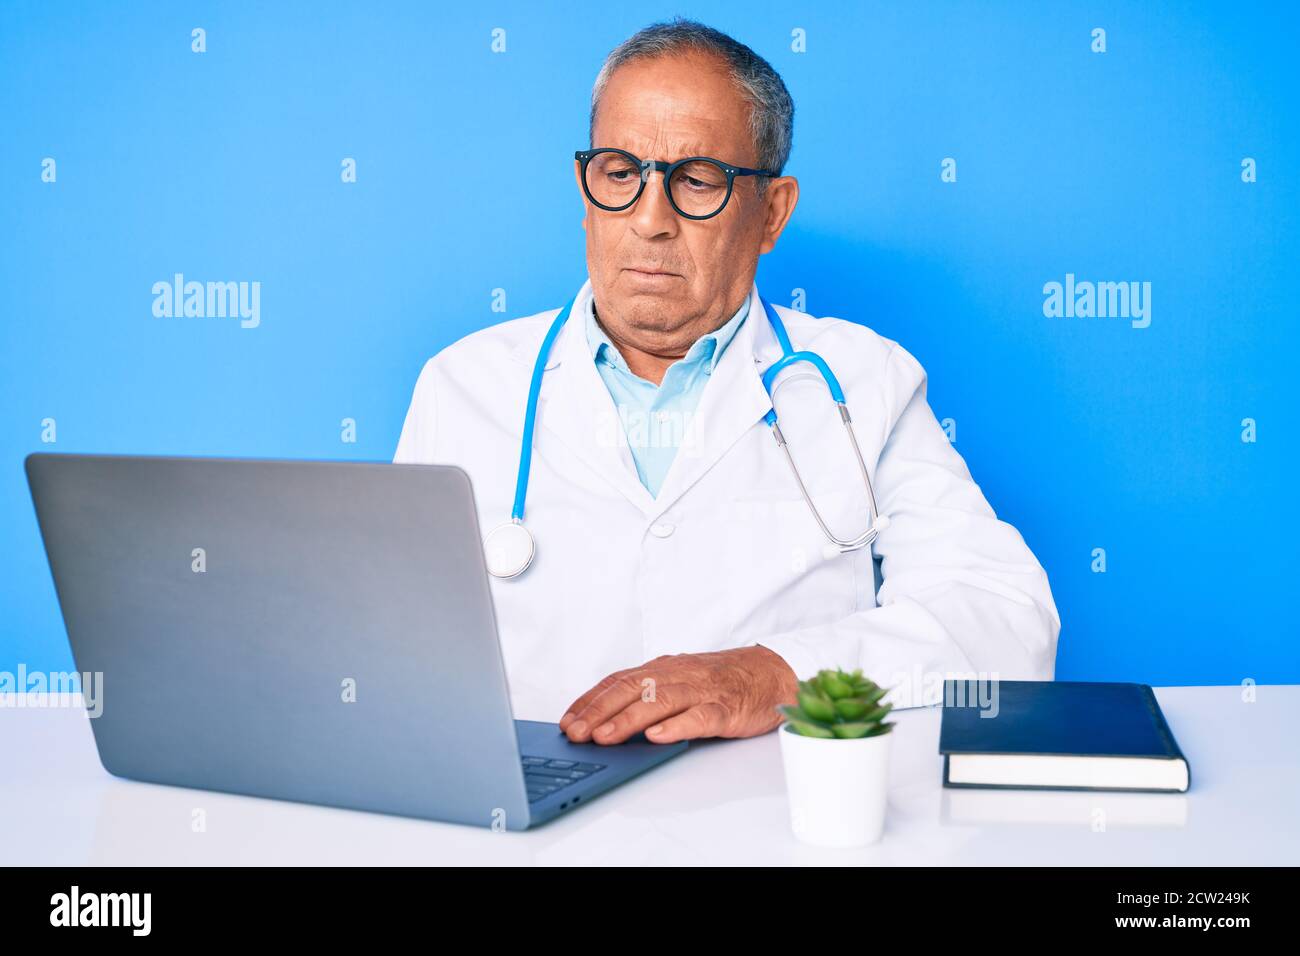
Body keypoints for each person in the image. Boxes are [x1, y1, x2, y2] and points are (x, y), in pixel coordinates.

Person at [394, 18, 1059, 746]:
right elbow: (389, 649)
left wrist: (772, 675)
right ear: (584, 190)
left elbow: (1005, 619)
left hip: (774, 830)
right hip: (530, 835)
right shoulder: (462, 384)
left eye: (698, 181)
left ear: (771, 213)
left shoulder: (861, 382)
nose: (650, 221)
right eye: (620, 173)